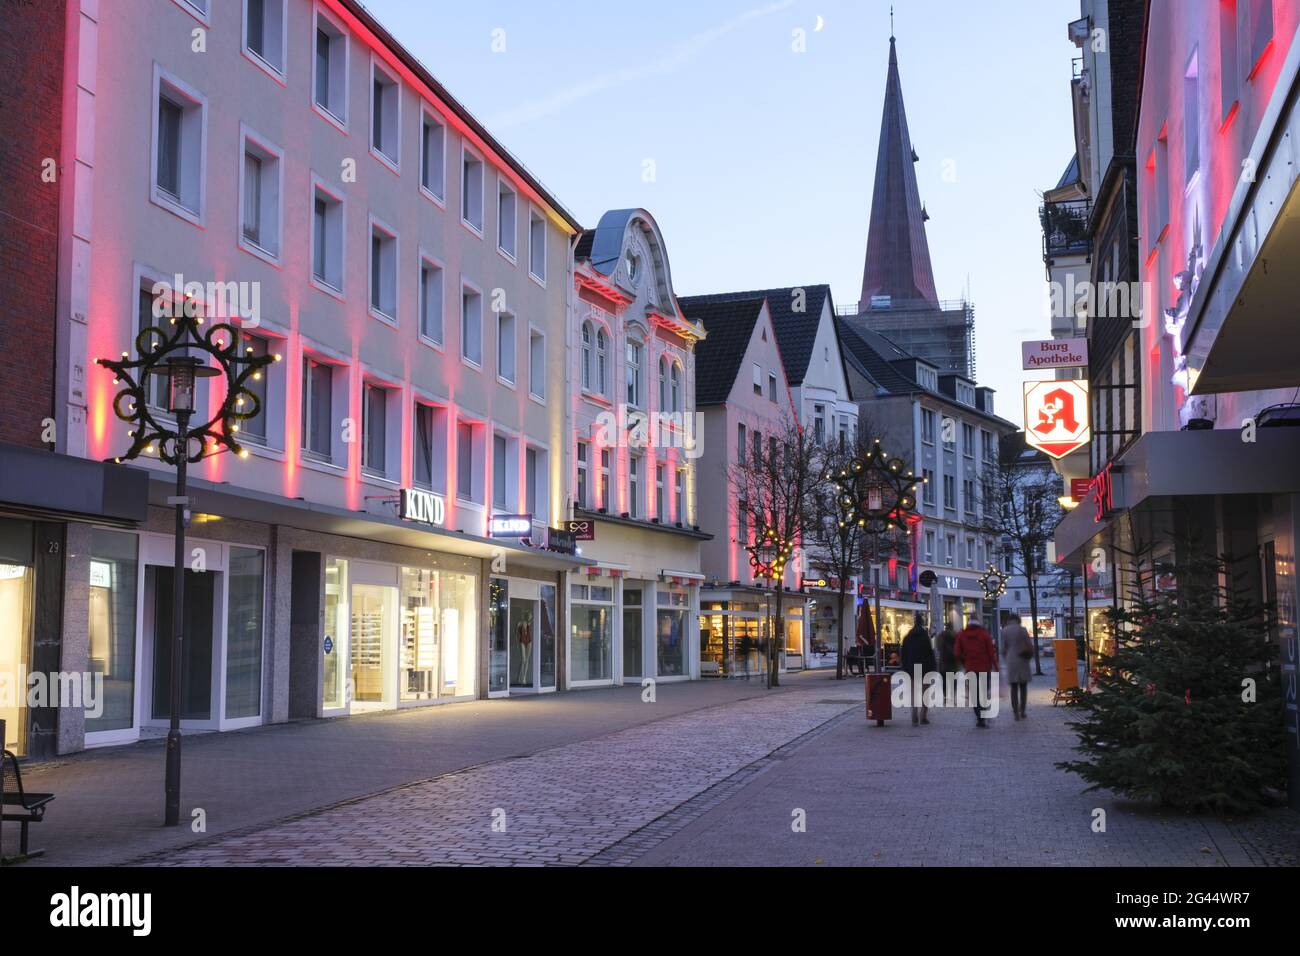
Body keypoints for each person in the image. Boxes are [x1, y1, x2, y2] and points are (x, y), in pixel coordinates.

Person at [953, 619, 998, 727]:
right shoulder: (984, 635)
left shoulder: (962, 635)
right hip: (984, 668)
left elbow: (957, 653)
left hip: (970, 668)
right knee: (983, 692)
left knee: (974, 694)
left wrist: (964, 662)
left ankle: (979, 717)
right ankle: (982, 715)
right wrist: (996, 667)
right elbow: (991, 653)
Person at [899, 612, 936, 726]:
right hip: (925, 668)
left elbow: (903, 654)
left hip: (912, 668)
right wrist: (933, 668)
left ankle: (914, 714)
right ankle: (923, 716)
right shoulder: (925, 637)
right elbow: (930, 654)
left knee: (914, 692)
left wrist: (905, 666)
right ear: (922, 623)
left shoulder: (908, 637)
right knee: (925, 692)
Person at [1000, 614, 1034, 720]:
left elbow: (1003, 648)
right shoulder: (1022, 630)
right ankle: (1022, 711)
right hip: (1022, 659)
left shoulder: (1004, 631)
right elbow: (1029, 645)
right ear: (1018, 620)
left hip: (1011, 660)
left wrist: (1006, 657)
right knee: (1023, 687)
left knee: (1013, 687)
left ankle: (1015, 712)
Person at [936, 623, 957, 704]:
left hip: (943, 663)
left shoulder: (941, 636)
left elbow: (938, 647)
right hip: (953, 663)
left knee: (944, 681)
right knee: (953, 681)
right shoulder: (956, 636)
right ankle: (952, 697)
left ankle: (945, 697)